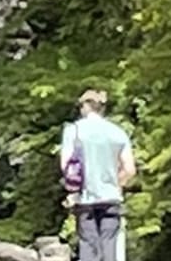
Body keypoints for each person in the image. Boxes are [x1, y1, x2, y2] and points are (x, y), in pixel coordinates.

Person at [60, 89, 136, 261]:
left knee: (88, 246)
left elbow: (66, 166)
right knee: (110, 246)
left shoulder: (74, 131)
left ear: (85, 107)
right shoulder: (118, 132)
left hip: (84, 199)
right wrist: (116, 183)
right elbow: (130, 169)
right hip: (111, 198)